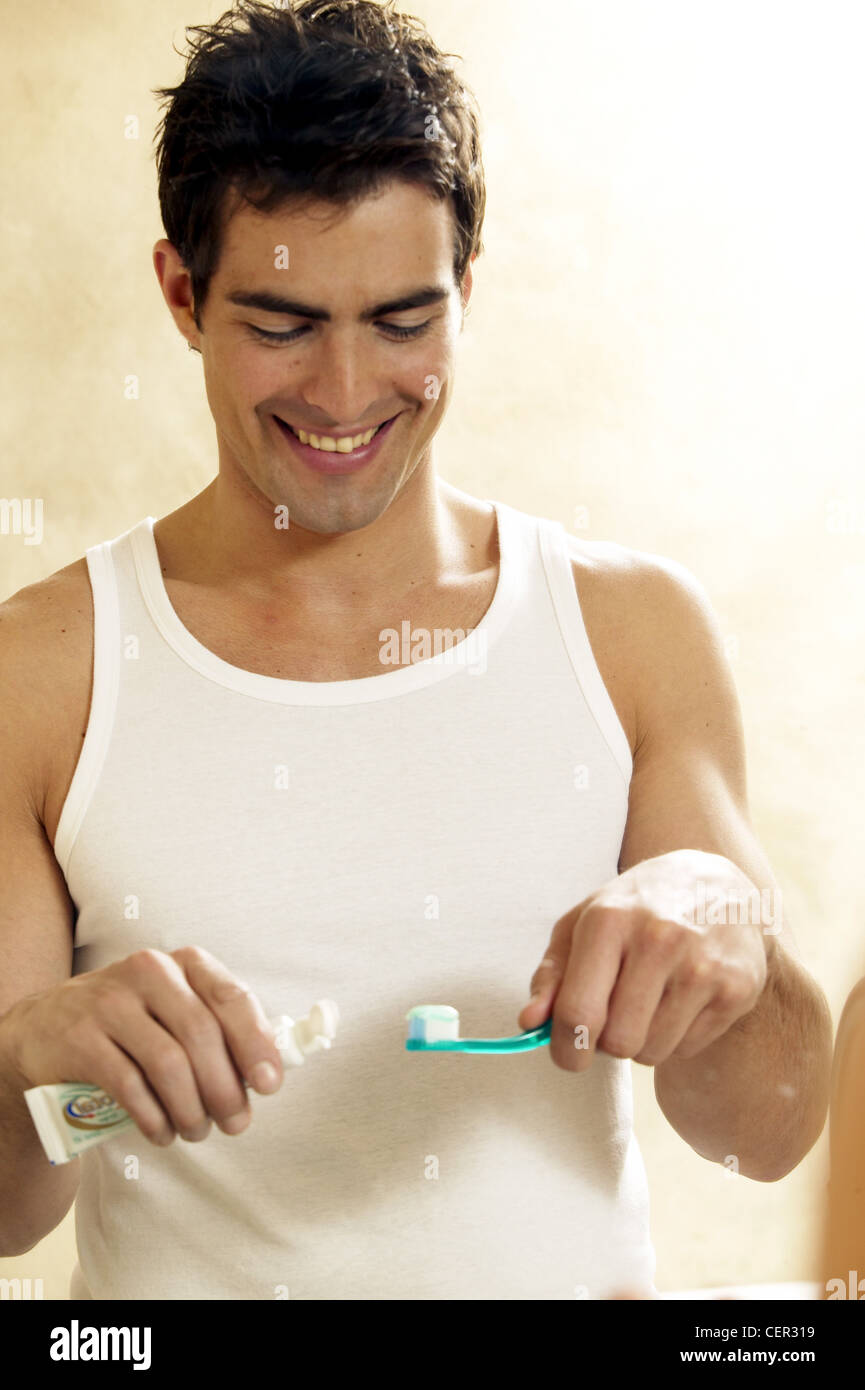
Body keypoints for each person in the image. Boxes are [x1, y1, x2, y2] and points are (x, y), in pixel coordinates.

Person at [0, 0, 833, 1300]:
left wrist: (728, 949)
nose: (343, 395)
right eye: (280, 322)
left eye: (402, 321)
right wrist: (22, 1060)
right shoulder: (43, 671)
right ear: (181, 293)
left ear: (466, 288)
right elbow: (7, 1207)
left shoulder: (628, 631)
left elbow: (766, 1133)